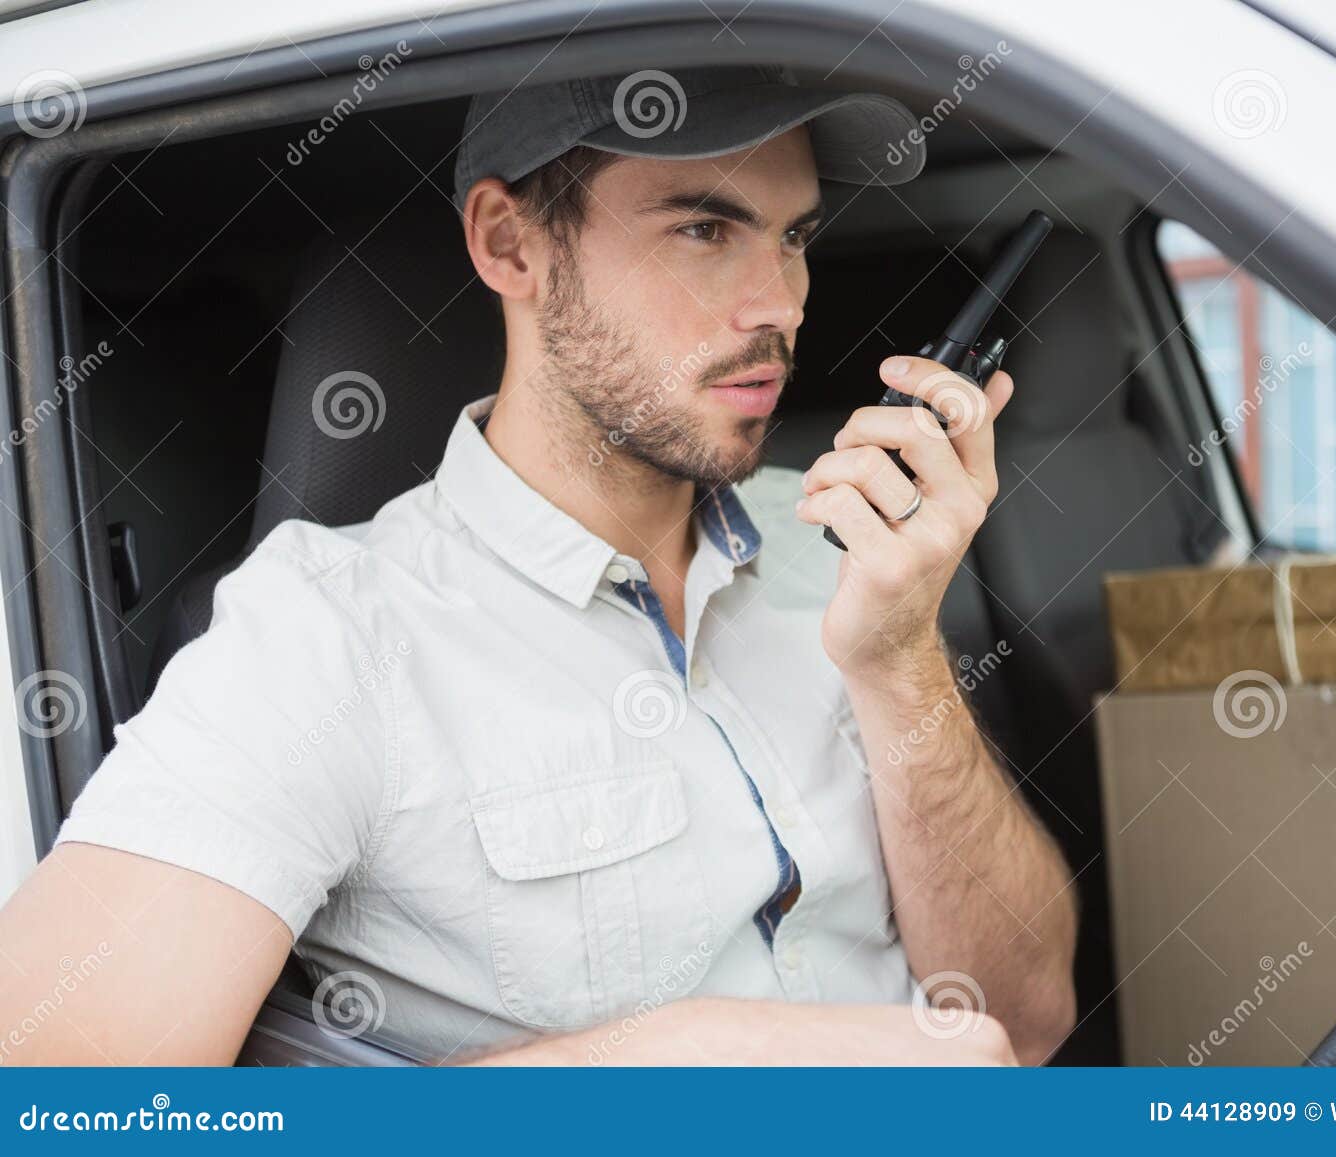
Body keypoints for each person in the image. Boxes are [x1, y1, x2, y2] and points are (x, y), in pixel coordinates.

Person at [0, 65, 1076, 1066]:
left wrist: (898, 659)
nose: (780, 303)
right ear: (509, 244)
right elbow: (57, 1098)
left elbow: (1025, 1019)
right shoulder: (326, 637)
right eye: (705, 227)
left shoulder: (837, 554)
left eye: (793, 236)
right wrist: (686, 1062)